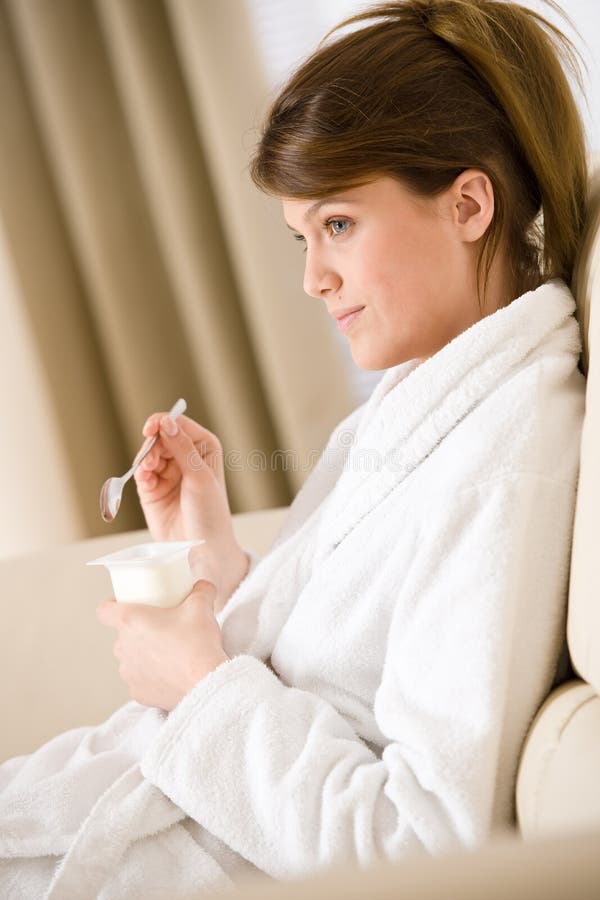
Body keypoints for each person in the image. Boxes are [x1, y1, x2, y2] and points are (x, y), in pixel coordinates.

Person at [0, 0, 590, 897]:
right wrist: (214, 553)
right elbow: (322, 663)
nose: (314, 278)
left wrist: (198, 684)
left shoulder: (506, 463)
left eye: (339, 226)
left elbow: (423, 846)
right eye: (301, 238)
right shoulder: (425, 399)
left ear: (469, 204)